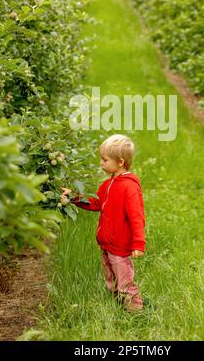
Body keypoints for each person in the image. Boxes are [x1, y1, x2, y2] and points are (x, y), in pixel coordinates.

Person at [61, 134, 146, 312]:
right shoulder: (107, 184)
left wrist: (138, 243)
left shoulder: (129, 187)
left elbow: (137, 217)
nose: (101, 163)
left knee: (124, 279)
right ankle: (117, 305)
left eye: (104, 159)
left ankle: (135, 311)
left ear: (120, 162)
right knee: (111, 278)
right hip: (106, 243)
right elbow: (96, 203)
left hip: (120, 245)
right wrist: (73, 198)